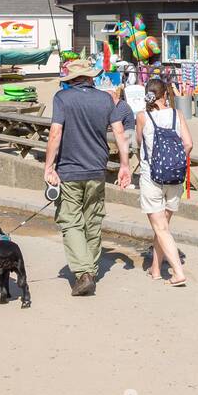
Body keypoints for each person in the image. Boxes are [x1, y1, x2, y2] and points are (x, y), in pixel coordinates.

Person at [43, 59, 131, 297]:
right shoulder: (105, 99)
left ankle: (83, 272)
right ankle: (90, 271)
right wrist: (125, 165)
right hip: (97, 169)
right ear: (91, 77)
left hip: (69, 170)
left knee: (70, 220)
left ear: (71, 80)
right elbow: (120, 132)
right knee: (92, 219)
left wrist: (49, 167)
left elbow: (55, 133)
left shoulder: (62, 99)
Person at [134, 80, 193, 286]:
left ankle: (177, 272)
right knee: (163, 226)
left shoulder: (142, 117)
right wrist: (174, 162)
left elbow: (139, 142)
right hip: (175, 177)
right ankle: (156, 269)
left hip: (152, 176)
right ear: (165, 94)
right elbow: (188, 144)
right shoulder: (178, 115)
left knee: (161, 228)